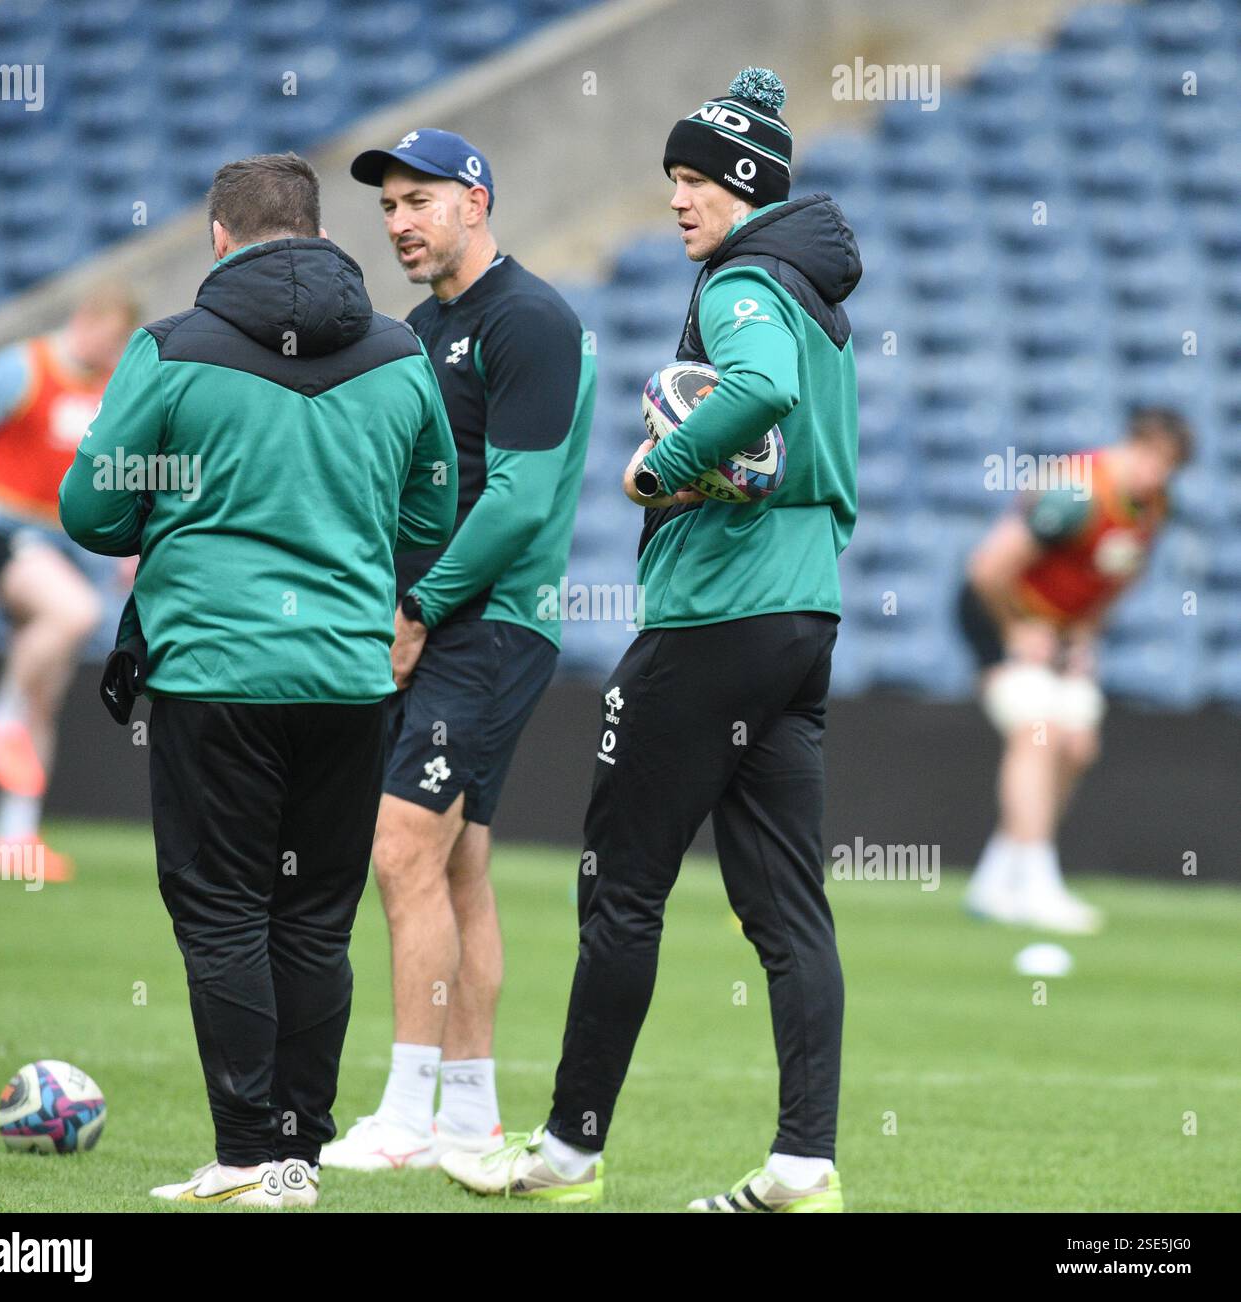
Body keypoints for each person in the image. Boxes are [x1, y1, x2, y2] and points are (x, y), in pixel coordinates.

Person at [440, 67, 860, 1212]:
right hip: (802, 619)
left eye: (693, 180)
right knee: (785, 907)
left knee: (619, 889)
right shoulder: (821, 298)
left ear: (742, 188)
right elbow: (811, 432)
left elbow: (757, 391)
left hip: (711, 621)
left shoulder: (739, 284)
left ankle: (569, 1152)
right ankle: (801, 1164)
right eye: (670, 180)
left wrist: (659, 465)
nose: (677, 201)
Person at [58, 152, 457, 1208]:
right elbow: (429, 517)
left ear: (220, 237)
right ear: (325, 235)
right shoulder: (399, 353)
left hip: (217, 673)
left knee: (224, 908)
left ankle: (242, 1156)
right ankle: (295, 1157)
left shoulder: (173, 349)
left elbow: (91, 511)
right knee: (315, 918)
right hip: (346, 678)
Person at [321, 129, 596, 1172]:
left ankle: (400, 1114)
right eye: (388, 206)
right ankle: (469, 1117)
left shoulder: (530, 319)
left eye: (418, 200)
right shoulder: (419, 328)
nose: (398, 222)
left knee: (398, 851)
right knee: (459, 867)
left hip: (484, 625)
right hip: (441, 620)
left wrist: (421, 607)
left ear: (474, 200)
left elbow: (521, 500)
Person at [959, 408, 1193, 933]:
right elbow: (987, 570)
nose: (1155, 473)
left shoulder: (1153, 508)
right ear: (1133, 446)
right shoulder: (1077, 494)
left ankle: (998, 879)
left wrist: (1084, 636)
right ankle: (1039, 883)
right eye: (1150, 458)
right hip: (1001, 620)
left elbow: (1117, 578)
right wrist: (1017, 630)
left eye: (1168, 465)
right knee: (1036, 735)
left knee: (1078, 746)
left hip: (1061, 633)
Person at [0, 286, 140, 881]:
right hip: (2, 531)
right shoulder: (24, 368)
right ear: (85, 318)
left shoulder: (109, 388)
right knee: (75, 614)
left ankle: (14, 838)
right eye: (104, 339)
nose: (107, 353)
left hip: (63, 545)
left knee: (44, 693)